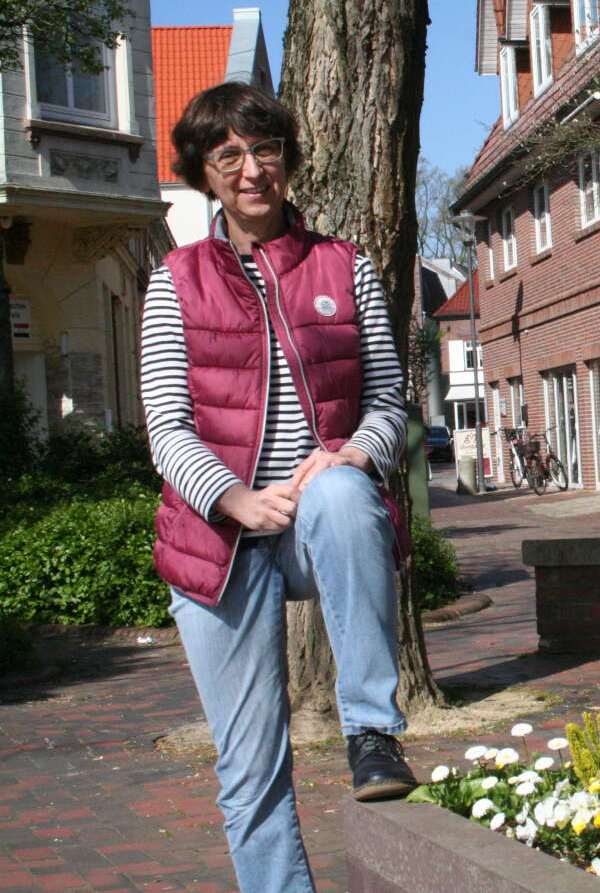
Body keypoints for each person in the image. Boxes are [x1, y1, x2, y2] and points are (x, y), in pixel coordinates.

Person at [139, 82, 416, 892]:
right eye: (228, 156)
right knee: (250, 762)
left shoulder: (344, 266)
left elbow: (388, 403)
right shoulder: (173, 281)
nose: (251, 170)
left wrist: (355, 456)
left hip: (317, 525)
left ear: (289, 162)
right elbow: (166, 429)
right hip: (218, 541)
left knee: (337, 492)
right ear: (204, 172)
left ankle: (371, 731)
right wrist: (236, 500)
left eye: (266, 151)